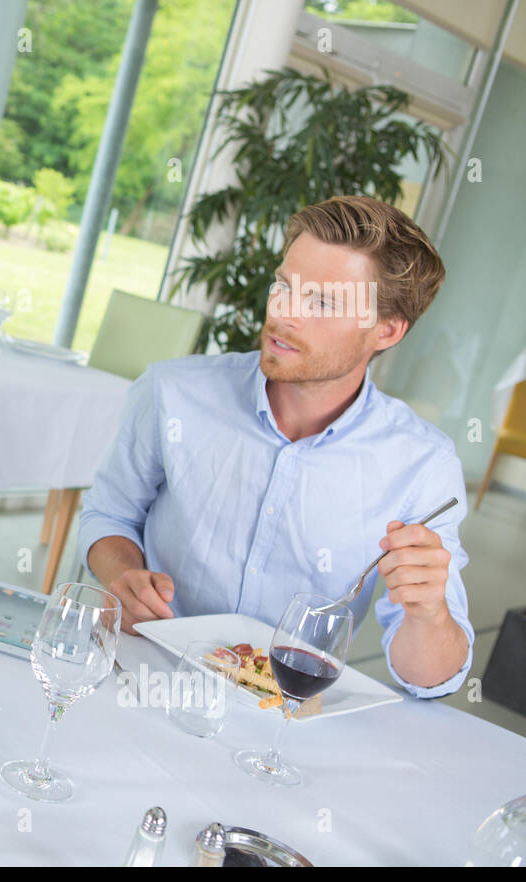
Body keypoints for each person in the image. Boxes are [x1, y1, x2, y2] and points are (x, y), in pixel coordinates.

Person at [78, 195, 472, 699]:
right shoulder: (171, 393)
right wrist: (125, 574)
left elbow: (429, 680)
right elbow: (107, 515)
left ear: (387, 330)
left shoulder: (422, 466)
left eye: (324, 302)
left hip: (279, 718)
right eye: (285, 286)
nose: (285, 313)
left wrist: (430, 611)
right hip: (139, 678)